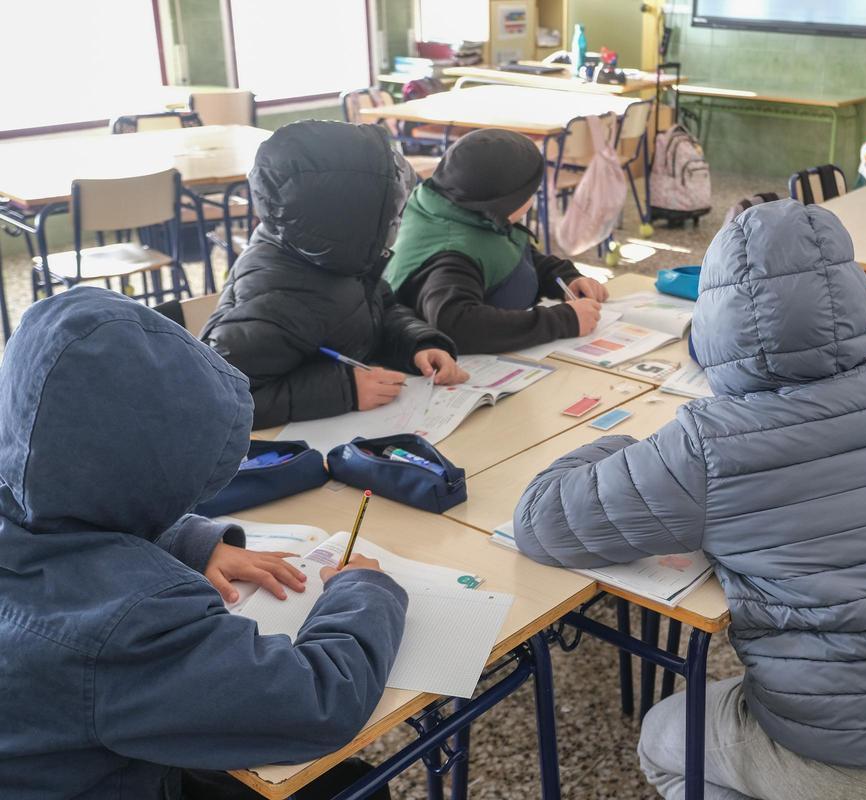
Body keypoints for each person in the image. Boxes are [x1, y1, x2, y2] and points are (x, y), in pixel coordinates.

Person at [513, 200, 866, 800]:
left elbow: (540, 521)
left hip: (849, 759)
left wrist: (624, 445)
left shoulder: (709, 445)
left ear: (715, 316)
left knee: (662, 739)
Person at [0, 287, 407, 799]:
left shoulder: (28, 477)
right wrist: (365, 592)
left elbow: (65, 510)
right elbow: (317, 704)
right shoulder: (128, 626)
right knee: (352, 786)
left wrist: (191, 541)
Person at [202, 120, 467, 430]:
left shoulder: (332, 253)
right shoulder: (276, 298)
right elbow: (215, 399)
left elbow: (379, 310)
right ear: (349, 217)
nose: (396, 221)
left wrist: (416, 345)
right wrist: (345, 390)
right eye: (390, 213)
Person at [383, 128, 609, 355]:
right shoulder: (450, 255)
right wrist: (563, 321)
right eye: (530, 192)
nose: (532, 197)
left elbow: (510, 253)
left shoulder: (460, 204)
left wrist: (564, 277)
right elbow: (456, 325)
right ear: (508, 200)